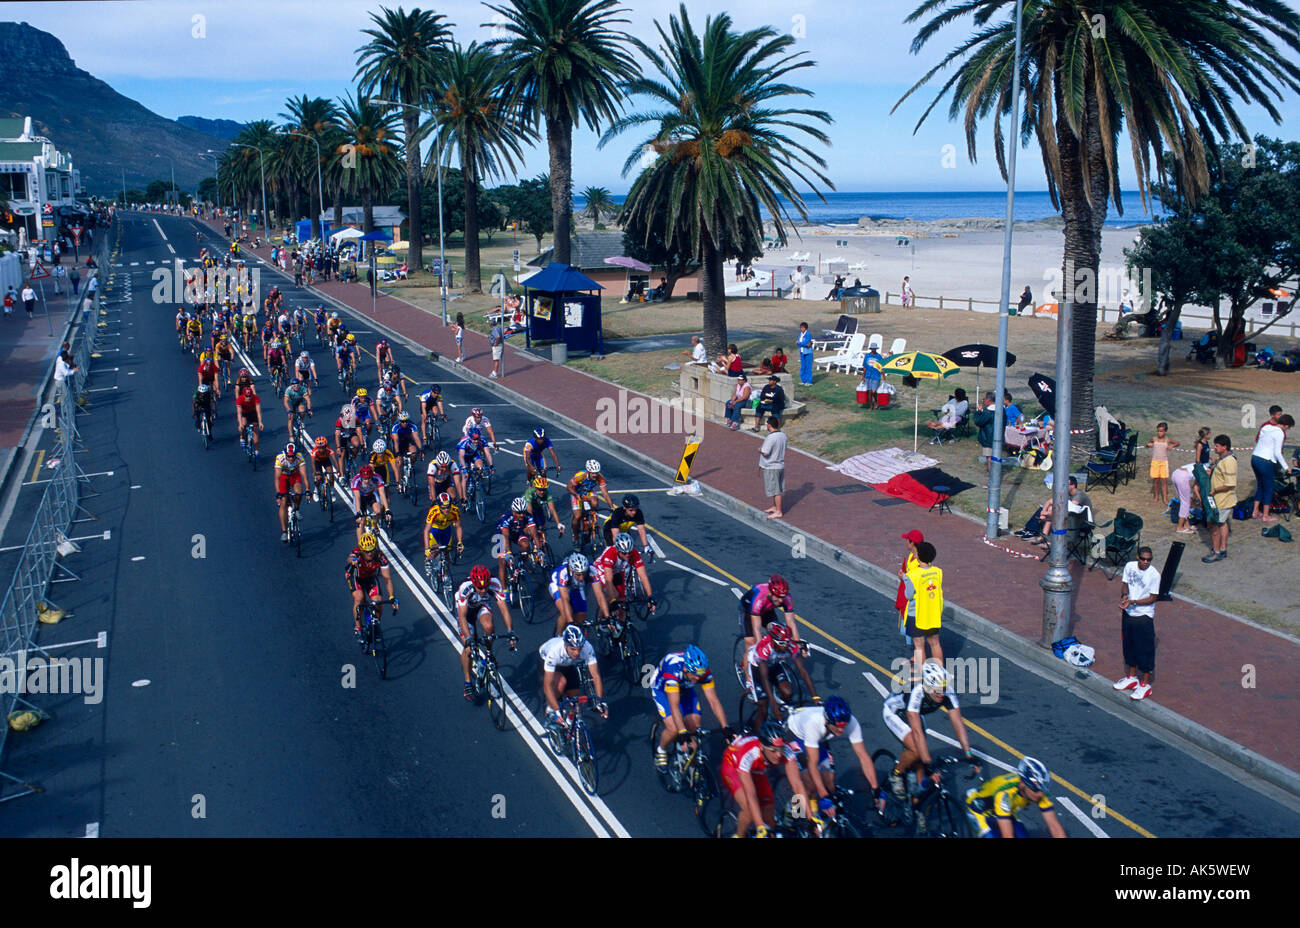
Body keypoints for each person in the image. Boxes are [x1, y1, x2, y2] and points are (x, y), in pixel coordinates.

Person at [882, 662, 978, 803]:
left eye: (943, 689)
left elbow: (958, 724)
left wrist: (969, 755)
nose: (941, 694)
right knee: (917, 750)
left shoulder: (947, 693)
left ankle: (918, 805)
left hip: (915, 713)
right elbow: (917, 732)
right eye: (937, 690)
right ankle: (895, 774)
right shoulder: (916, 692)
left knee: (922, 767)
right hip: (894, 713)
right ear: (926, 687)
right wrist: (929, 764)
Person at [784, 698, 884, 819]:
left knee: (829, 782)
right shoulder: (814, 724)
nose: (841, 730)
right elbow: (812, 764)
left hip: (819, 738)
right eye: (837, 727)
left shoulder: (851, 722)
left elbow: (863, 755)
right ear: (827, 720)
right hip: (795, 734)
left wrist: (876, 788)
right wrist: (823, 795)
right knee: (809, 783)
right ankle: (793, 811)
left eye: (843, 726)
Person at [650, 646, 729, 774]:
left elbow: (714, 701)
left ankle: (693, 769)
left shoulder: (703, 672)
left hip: (685, 688)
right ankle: (661, 750)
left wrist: (726, 728)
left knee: (694, 728)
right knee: (674, 729)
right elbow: (674, 705)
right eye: (695, 675)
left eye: (700, 676)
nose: (697, 679)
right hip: (663, 689)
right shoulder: (673, 669)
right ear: (686, 668)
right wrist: (681, 732)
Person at [719, 722, 805, 838]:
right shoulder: (749, 754)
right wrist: (760, 827)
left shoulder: (786, 750)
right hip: (733, 769)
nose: (779, 755)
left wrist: (810, 819)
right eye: (773, 751)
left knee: (770, 823)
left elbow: (797, 784)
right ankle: (739, 835)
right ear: (762, 747)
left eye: (780, 749)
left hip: (757, 770)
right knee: (749, 810)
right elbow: (751, 795)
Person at [965, 756, 1066, 838]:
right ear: (1023, 784)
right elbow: (1008, 835)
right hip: (981, 813)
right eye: (1035, 790)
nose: (1040, 794)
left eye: (1042, 790)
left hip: (1005, 810)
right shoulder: (1005, 794)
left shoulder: (1040, 791)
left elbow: (1054, 827)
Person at [456, 565, 516, 701]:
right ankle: (467, 681)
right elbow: (462, 617)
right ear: (474, 584)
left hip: (482, 606)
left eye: (485, 587)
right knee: (468, 650)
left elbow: (504, 610)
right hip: (466, 612)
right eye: (480, 588)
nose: (483, 590)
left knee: (489, 626)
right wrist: (469, 639)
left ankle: (487, 657)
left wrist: (510, 631)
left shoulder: (495, 584)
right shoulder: (465, 588)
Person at [1113, 546, 1161, 701]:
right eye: (1143, 559)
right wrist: (1125, 596)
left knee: (1145, 649)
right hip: (1129, 613)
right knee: (1129, 645)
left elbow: (1153, 598)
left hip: (1143, 616)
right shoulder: (1129, 566)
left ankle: (1145, 684)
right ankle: (1132, 677)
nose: (1146, 562)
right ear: (1138, 557)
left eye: (1149, 559)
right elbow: (1125, 584)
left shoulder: (1154, 575)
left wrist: (1133, 602)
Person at [540, 625, 607, 729]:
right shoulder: (554, 652)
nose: (577, 653)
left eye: (579, 649)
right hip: (547, 661)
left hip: (568, 664)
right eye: (573, 649)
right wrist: (555, 710)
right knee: (561, 682)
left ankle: (570, 724)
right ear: (565, 645)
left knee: (577, 702)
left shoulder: (587, 648)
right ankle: (549, 711)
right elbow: (547, 685)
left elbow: (596, 676)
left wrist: (600, 702)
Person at [901, 541, 943, 678]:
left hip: (916, 615)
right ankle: (939, 671)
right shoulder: (937, 572)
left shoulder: (912, 575)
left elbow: (908, 595)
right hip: (933, 613)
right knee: (935, 643)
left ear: (918, 556)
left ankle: (921, 673)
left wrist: (904, 579)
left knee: (919, 646)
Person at [1250, 413, 1293, 521]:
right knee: (1269, 488)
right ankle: (1265, 515)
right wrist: (1286, 467)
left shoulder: (1266, 427)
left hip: (1255, 458)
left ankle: (1255, 511)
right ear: (1286, 425)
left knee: (1260, 485)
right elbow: (1277, 453)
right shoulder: (1280, 433)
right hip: (1265, 461)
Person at [1203, 434, 1237, 563]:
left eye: (1217, 446)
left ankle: (1216, 552)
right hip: (1220, 499)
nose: (1215, 448)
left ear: (1225, 447)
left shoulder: (1229, 462)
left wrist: (1214, 490)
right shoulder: (1222, 459)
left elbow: (1230, 483)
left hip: (1222, 500)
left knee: (1213, 526)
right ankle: (1222, 549)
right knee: (1223, 523)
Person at [759, 416, 787, 519]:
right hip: (780, 465)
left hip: (771, 466)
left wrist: (760, 450)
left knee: (776, 490)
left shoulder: (770, 437)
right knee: (776, 488)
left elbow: (765, 452)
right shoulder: (783, 435)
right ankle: (775, 507)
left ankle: (778, 511)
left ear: (769, 425)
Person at [1146, 422, 1180, 505]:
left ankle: (1165, 499)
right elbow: (1147, 444)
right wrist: (1148, 444)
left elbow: (1177, 443)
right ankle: (1156, 496)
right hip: (1155, 462)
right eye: (1158, 431)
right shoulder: (1154, 439)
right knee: (1156, 480)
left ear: (1165, 432)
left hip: (1164, 462)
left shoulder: (1167, 440)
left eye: (1161, 431)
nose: (1159, 433)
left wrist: (1172, 446)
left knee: (1164, 481)